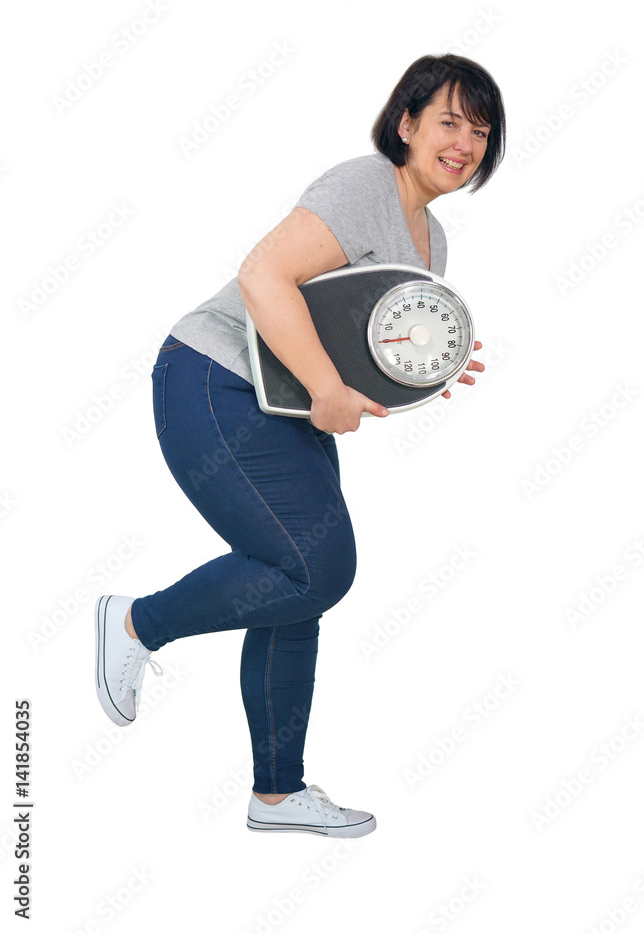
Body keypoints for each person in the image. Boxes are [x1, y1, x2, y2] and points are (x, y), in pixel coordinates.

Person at [94, 53, 506, 838]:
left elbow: (356, 340)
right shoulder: (363, 184)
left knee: (297, 585)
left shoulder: (433, 244)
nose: (465, 143)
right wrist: (326, 391)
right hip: (215, 377)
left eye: (481, 132)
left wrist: (427, 362)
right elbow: (263, 277)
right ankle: (136, 624)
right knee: (318, 566)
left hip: (286, 405)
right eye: (449, 121)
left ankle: (276, 794)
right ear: (406, 123)